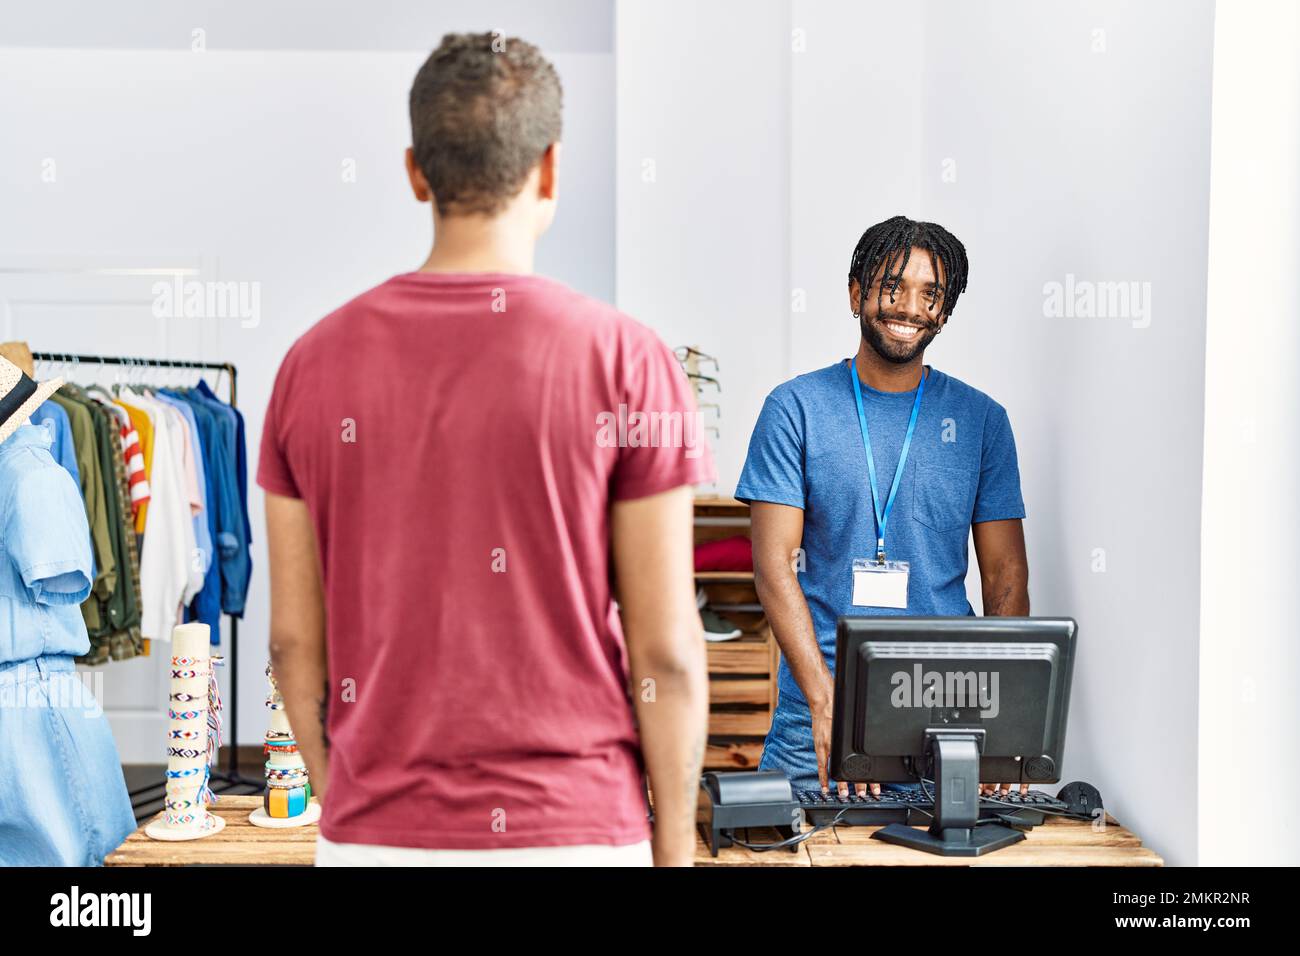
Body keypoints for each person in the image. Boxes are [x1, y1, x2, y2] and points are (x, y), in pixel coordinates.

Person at [258, 33, 712, 867]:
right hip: (577, 830)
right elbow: (668, 653)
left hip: (375, 836)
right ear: (549, 170)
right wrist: (674, 854)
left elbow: (293, 643)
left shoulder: (309, 365)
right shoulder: (629, 360)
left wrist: (345, 805)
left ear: (415, 172)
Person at [736, 215, 1030, 798]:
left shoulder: (981, 421)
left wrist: (1002, 717)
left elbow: (1005, 574)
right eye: (892, 287)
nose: (909, 307)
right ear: (855, 293)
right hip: (822, 707)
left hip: (951, 712)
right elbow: (774, 564)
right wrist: (823, 700)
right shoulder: (794, 408)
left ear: (943, 313)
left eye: (930, 294)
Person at [0, 356, 135, 865]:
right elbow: (62, 585)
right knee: (87, 860)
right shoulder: (34, 476)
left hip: (26, 698)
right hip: (36, 700)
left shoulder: (23, 476)